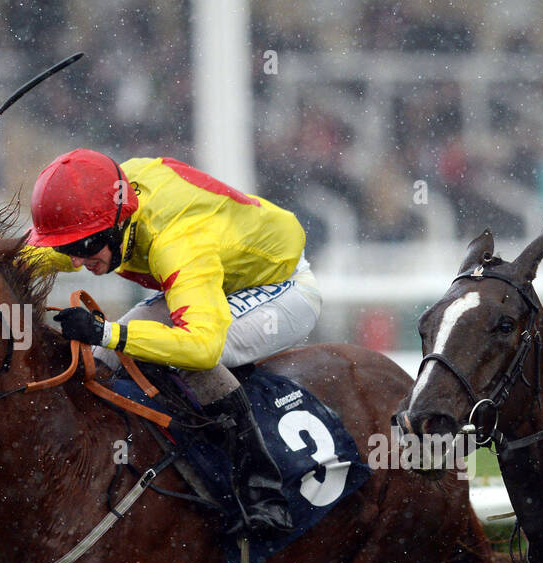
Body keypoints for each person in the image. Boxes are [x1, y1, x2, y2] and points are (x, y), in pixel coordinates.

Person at [23, 149, 324, 536]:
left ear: (118, 224)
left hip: (281, 289)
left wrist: (105, 330)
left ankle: (262, 497)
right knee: (104, 360)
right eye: (70, 248)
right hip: (215, 276)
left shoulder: (177, 242)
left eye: (85, 249)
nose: (78, 261)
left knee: (176, 358)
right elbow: (60, 247)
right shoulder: (109, 206)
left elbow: (200, 346)